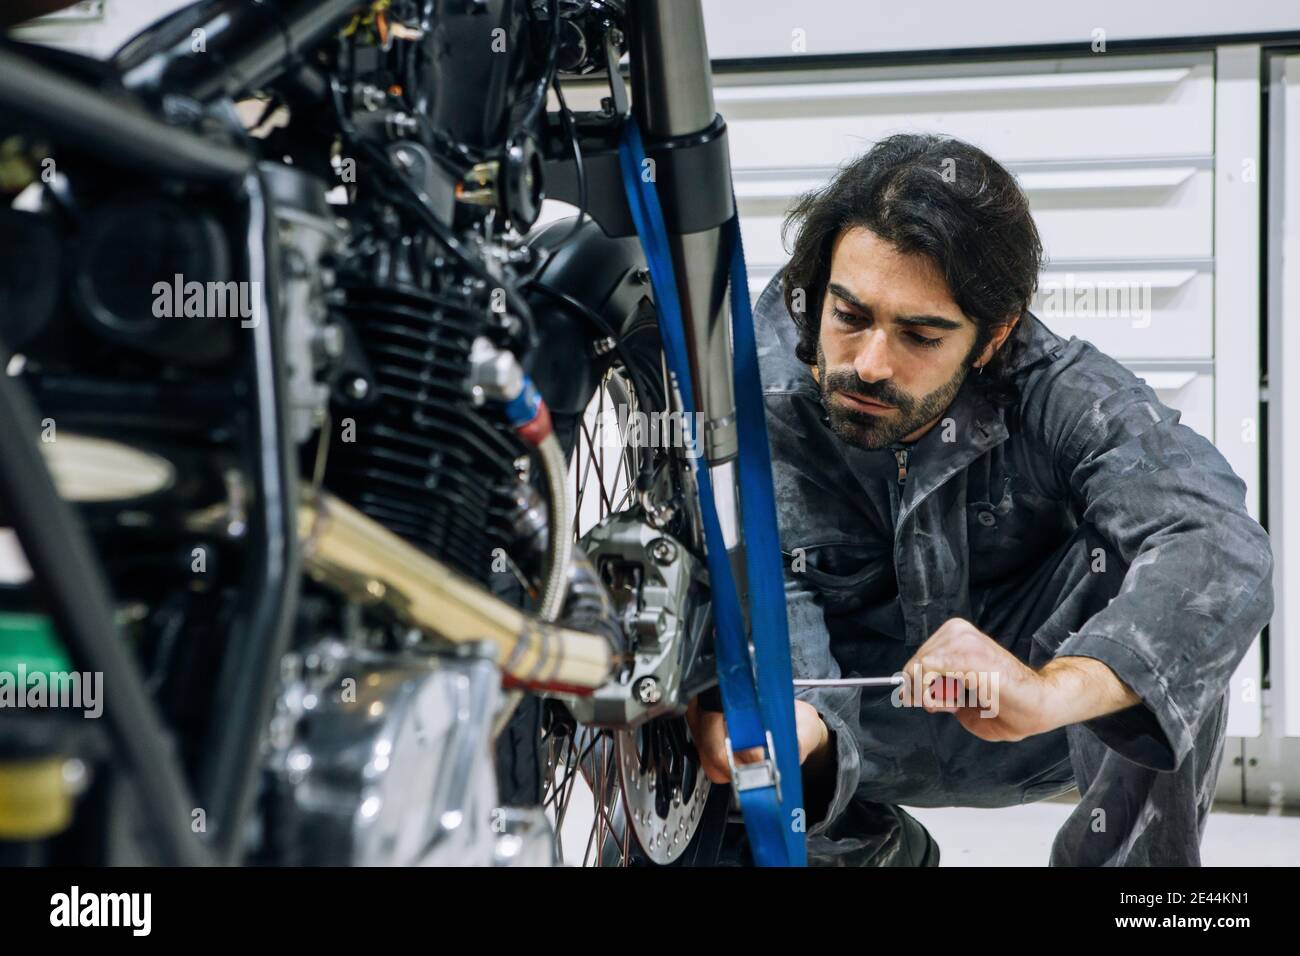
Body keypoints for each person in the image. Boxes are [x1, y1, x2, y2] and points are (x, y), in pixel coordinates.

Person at [687, 133, 1274, 866]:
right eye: (850, 316)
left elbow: (1219, 542)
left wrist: (1054, 688)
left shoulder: (1055, 386)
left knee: (1166, 583)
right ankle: (870, 851)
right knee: (678, 590)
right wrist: (784, 721)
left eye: (921, 334)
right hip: (843, 739)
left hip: (1032, 728)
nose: (869, 364)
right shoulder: (747, 393)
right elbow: (771, 594)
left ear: (994, 336)